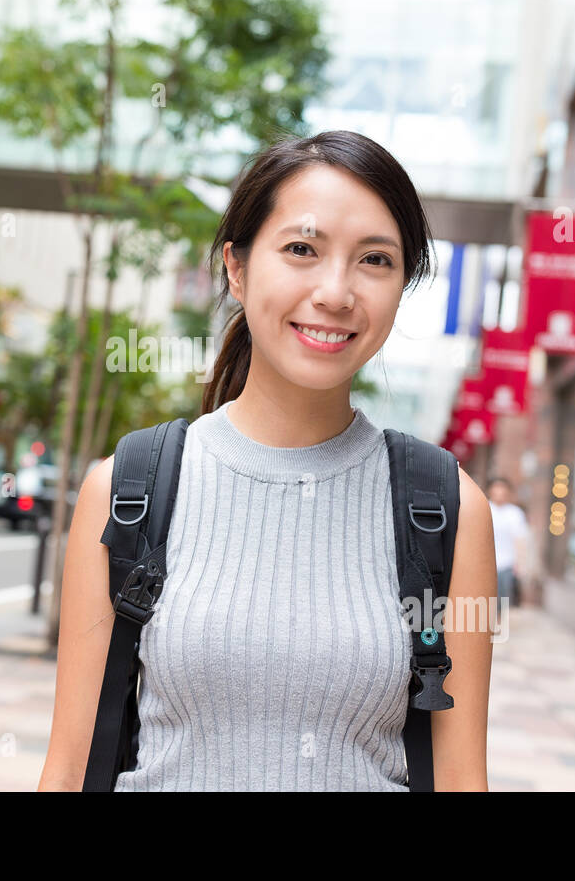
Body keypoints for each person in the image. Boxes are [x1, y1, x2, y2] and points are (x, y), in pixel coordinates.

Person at [39, 130, 495, 792]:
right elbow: (70, 768)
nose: (336, 292)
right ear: (238, 266)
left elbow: (460, 780)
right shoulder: (126, 489)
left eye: (375, 259)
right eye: (302, 250)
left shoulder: (446, 510)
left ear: (403, 286)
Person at [486, 477, 529, 609]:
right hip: (486, 562)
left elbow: (520, 540)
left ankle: (498, 624)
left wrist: (521, 564)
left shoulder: (515, 513)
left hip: (507, 564)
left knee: (502, 600)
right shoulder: (484, 508)